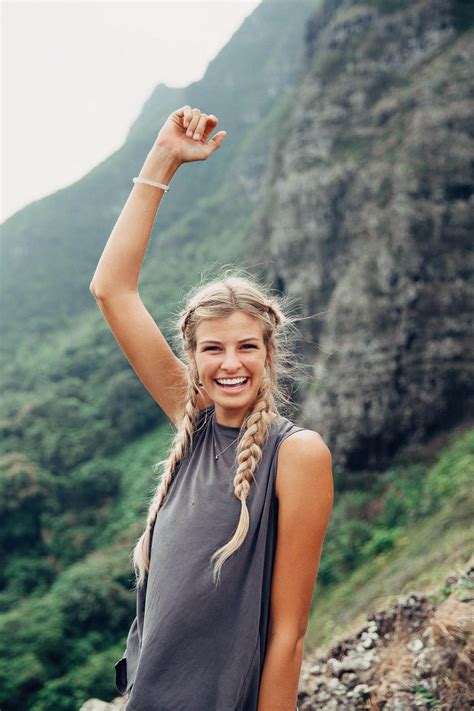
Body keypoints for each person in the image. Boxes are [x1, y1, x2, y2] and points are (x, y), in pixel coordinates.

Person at [89, 106, 333, 711]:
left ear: (269, 354)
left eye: (247, 346)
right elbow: (111, 289)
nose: (231, 364)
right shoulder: (193, 423)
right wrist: (163, 159)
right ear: (191, 358)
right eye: (213, 349)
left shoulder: (296, 454)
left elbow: (288, 634)